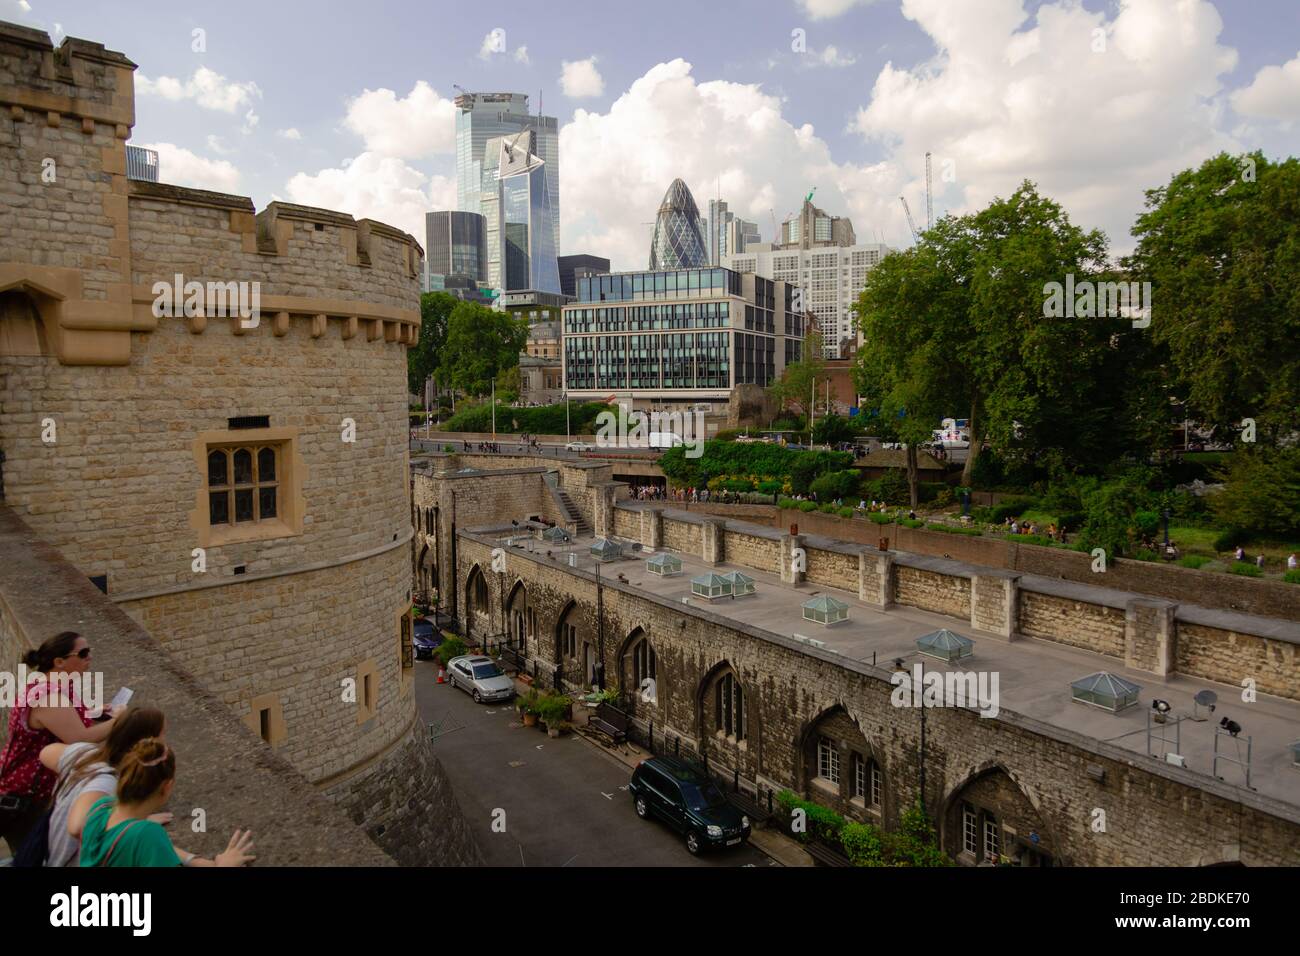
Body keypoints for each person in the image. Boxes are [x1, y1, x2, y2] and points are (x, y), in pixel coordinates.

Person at [0, 632, 118, 855]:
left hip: (39, 791)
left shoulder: (57, 686)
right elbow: (78, 738)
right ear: (59, 662)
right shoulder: (47, 697)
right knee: (32, 857)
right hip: (27, 796)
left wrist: (97, 712)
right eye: (82, 653)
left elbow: (67, 720)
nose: (89, 657)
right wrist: (120, 721)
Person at [79, 739, 255, 867]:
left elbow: (154, 848)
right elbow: (148, 842)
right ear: (167, 786)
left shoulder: (101, 808)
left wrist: (193, 860)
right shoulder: (147, 834)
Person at [39, 705, 167, 867]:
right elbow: (77, 826)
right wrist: (131, 820)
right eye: (163, 734)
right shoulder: (107, 782)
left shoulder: (85, 755)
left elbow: (46, 753)